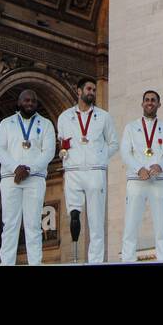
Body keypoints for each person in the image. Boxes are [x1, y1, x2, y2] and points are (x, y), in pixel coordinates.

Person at [57, 78, 117, 263]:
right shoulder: (65, 117)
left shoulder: (104, 116)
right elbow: (62, 141)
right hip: (73, 171)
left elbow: (114, 143)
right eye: (88, 89)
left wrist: (99, 157)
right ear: (79, 91)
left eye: (94, 89)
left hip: (95, 172)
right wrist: (64, 153)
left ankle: (95, 261)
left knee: (96, 220)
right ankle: (74, 257)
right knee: (74, 214)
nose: (92, 92)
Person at [0, 89, 56, 266]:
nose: (30, 103)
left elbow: (49, 151)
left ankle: (35, 263)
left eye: (33, 101)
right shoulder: (6, 123)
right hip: (10, 177)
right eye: (26, 100)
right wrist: (16, 168)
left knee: (34, 224)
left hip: (34, 178)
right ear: (19, 102)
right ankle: (6, 263)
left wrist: (29, 168)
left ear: (37, 104)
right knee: (10, 224)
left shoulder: (46, 124)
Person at [120, 89, 163, 262]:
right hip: (137, 180)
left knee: (161, 225)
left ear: (159, 104)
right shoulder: (131, 127)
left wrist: (160, 165)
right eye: (147, 100)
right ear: (142, 103)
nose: (150, 102)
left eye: (153, 100)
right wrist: (138, 168)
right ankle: (128, 260)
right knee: (131, 224)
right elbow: (125, 152)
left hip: (159, 179)